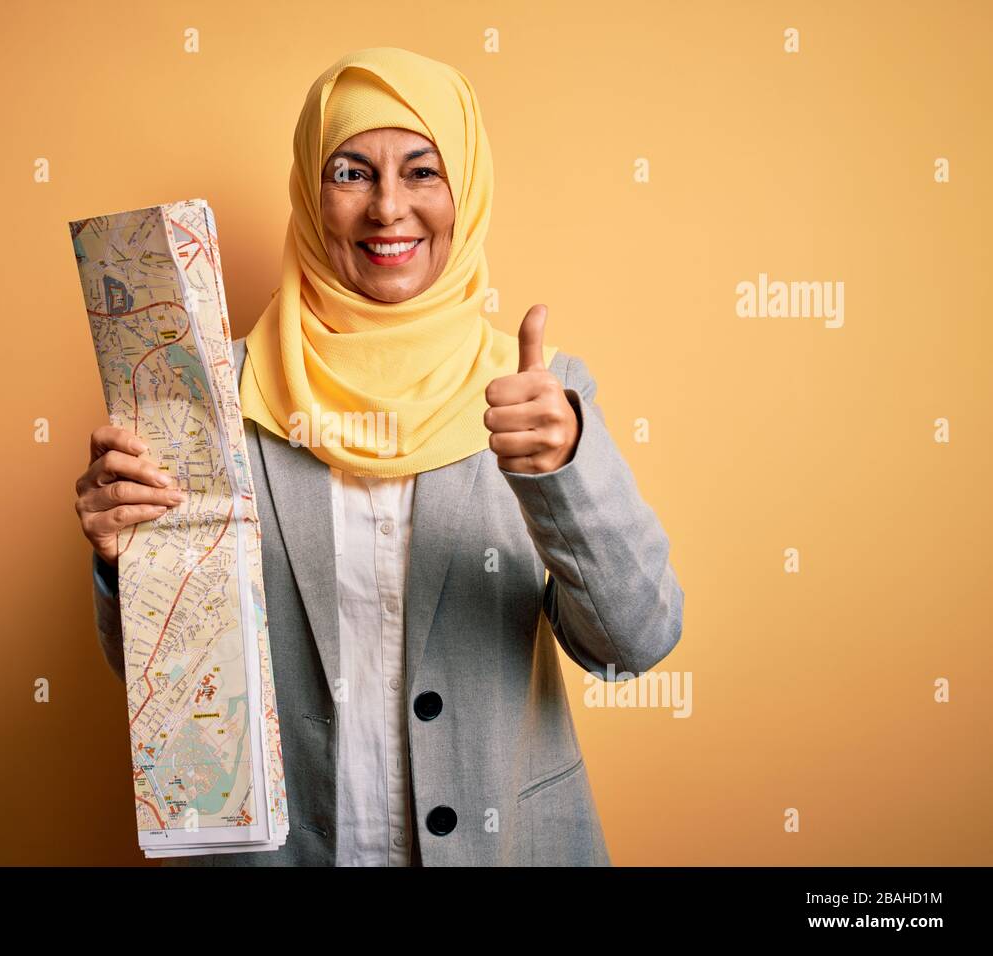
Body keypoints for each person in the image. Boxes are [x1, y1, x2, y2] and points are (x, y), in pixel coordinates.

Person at [72, 46, 684, 866]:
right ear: (308, 193)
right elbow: (178, 695)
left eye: (423, 172)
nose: (388, 208)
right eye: (352, 172)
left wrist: (564, 476)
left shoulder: (540, 395)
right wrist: (128, 563)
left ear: (464, 189)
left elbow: (631, 648)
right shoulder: (218, 394)